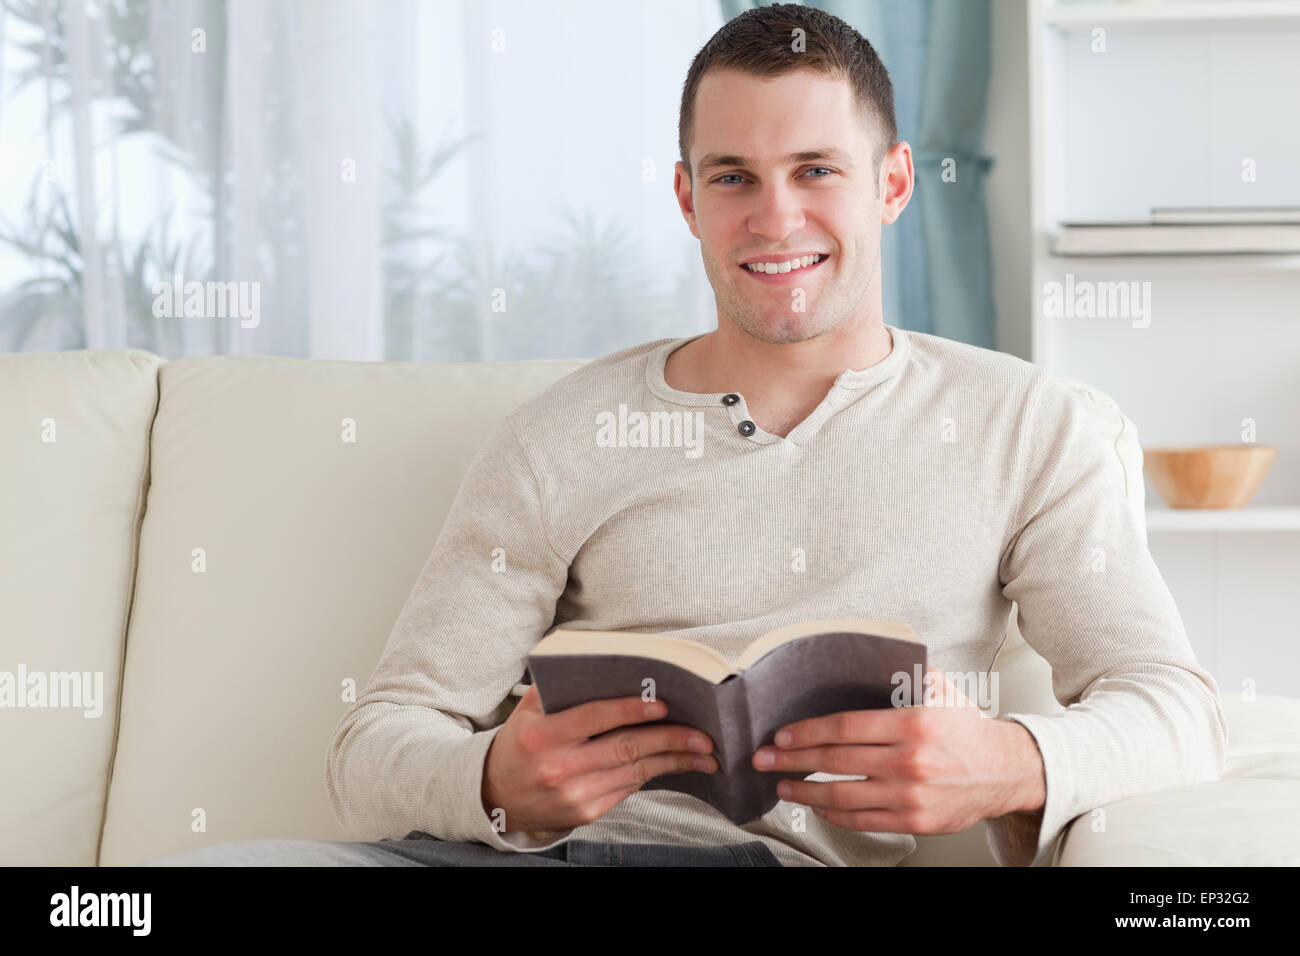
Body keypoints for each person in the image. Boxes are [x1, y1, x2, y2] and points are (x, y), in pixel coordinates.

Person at [143, 2, 1225, 869]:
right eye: (732, 178)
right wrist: (492, 780)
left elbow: (1179, 711)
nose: (775, 217)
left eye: (816, 170)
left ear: (891, 184)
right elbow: (377, 745)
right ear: (686, 198)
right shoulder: (554, 438)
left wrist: (1005, 762)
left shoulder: (1031, 425)